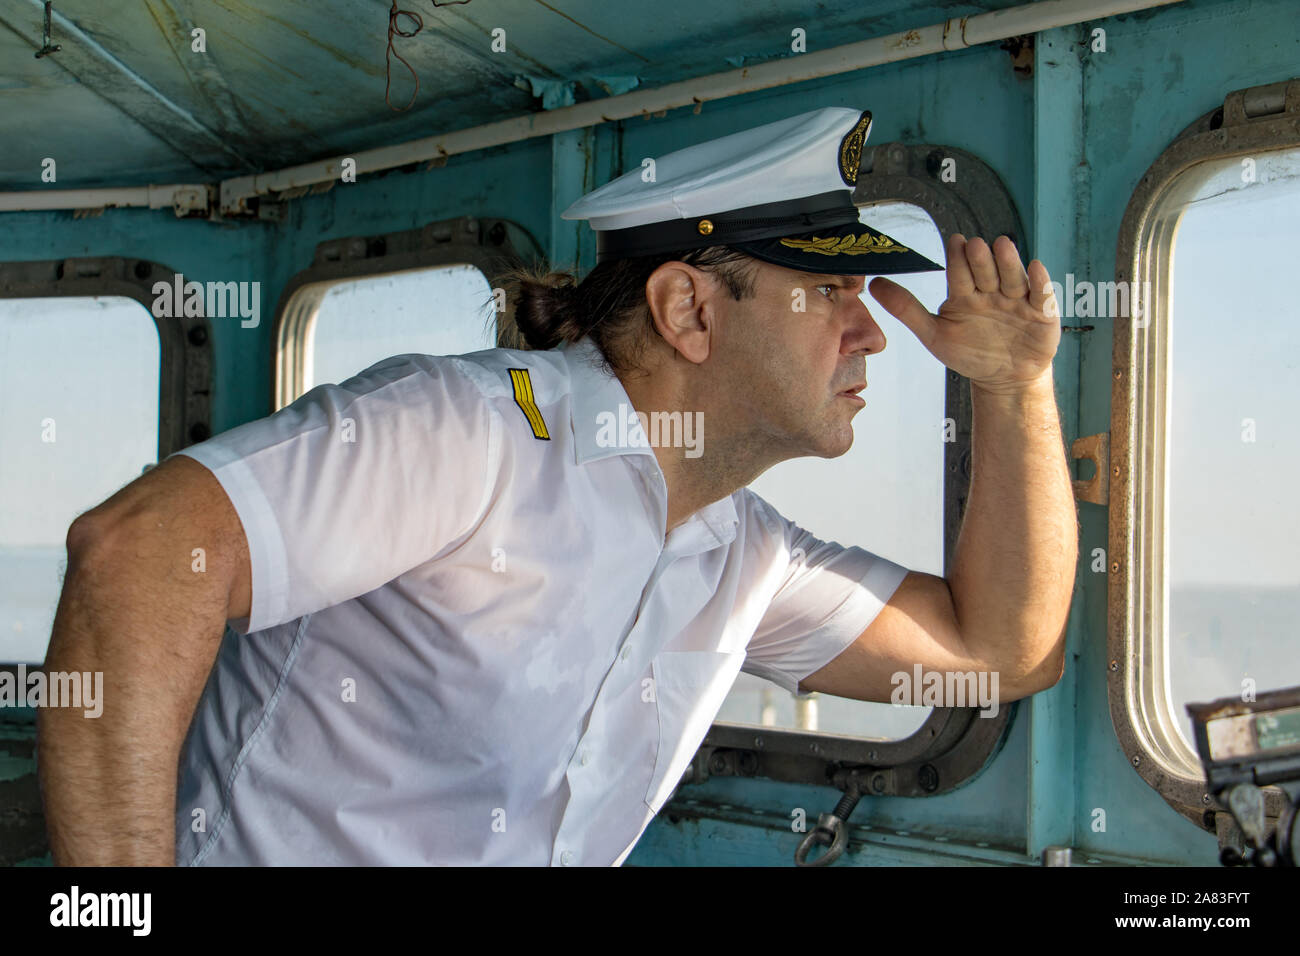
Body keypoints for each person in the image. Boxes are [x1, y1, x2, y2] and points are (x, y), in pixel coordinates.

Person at [38, 107, 1078, 866]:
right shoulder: (473, 431)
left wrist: (1014, 386)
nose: (871, 332)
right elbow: (138, 554)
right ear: (689, 311)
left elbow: (997, 651)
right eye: (827, 292)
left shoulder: (742, 553)